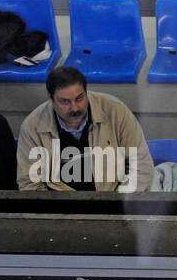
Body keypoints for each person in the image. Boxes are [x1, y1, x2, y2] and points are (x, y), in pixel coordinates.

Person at [16, 66, 153, 192]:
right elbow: (30, 183)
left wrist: (118, 202)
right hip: (60, 207)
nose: (75, 108)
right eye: (65, 101)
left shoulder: (116, 111)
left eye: (79, 98)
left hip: (113, 198)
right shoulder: (32, 127)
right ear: (51, 99)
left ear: (86, 92)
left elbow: (141, 165)